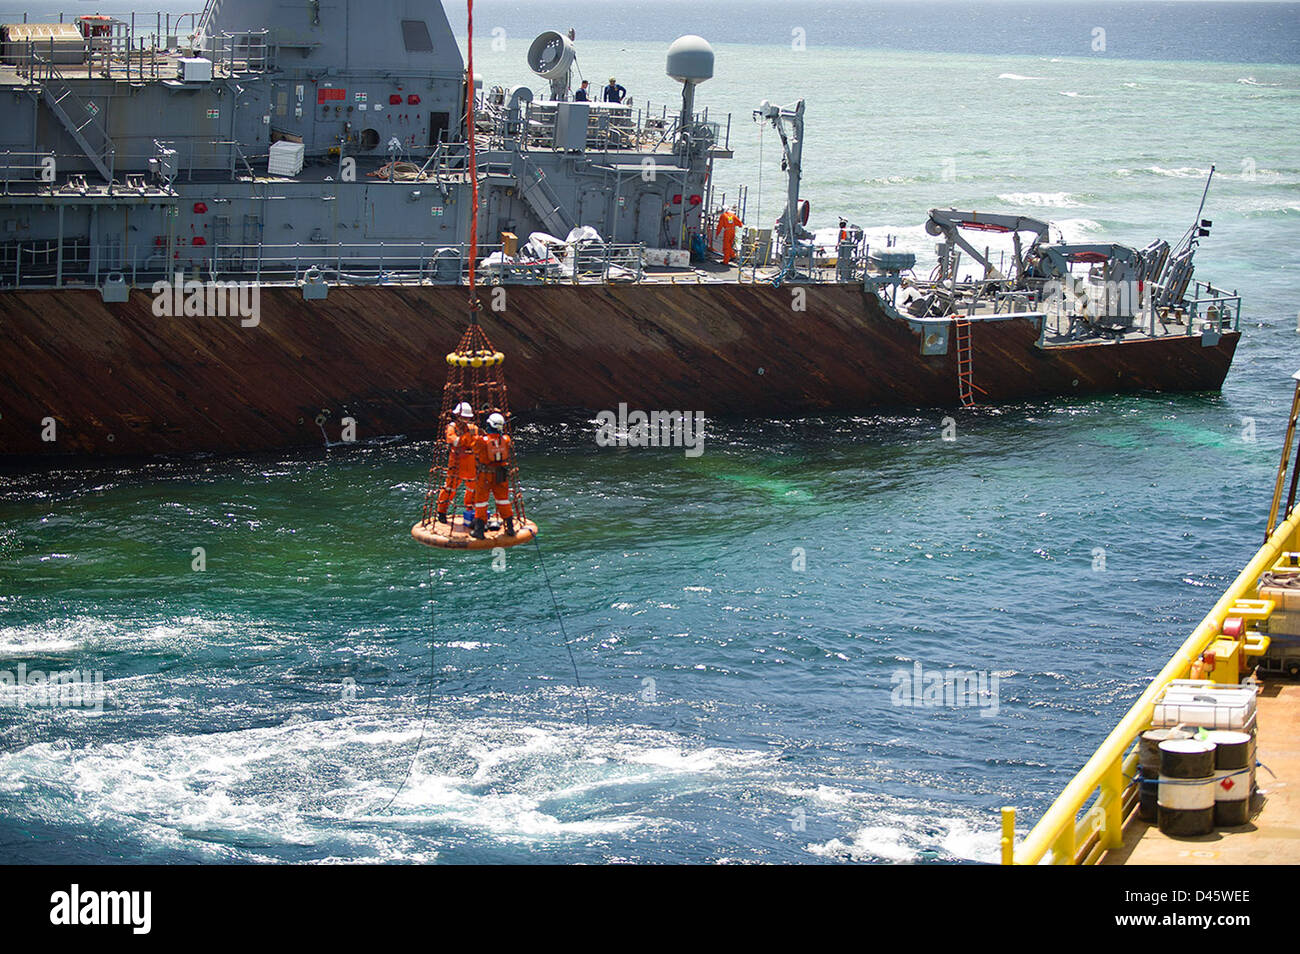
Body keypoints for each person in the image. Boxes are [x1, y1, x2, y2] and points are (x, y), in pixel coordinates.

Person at [471, 411, 515, 539]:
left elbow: (474, 448)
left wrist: (476, 434)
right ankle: (510, 528)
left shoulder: (481, 441)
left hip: (485, 474)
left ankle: (479, 530)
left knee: (481, 501)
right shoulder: (506, 439)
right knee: (503, 500)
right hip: (501, 473)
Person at [436, 402, 479, 525]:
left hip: (471, 463)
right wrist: (467, 439)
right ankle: (442, 512)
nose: (465, 420)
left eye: (467, 418)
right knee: (450, 488)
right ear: (457, 416)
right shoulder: (452, 427)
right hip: (456, 463)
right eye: (463, 417)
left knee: (472, 489)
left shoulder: (473, 428)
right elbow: (453, 441)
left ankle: (470, 512)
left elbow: (476, 442)